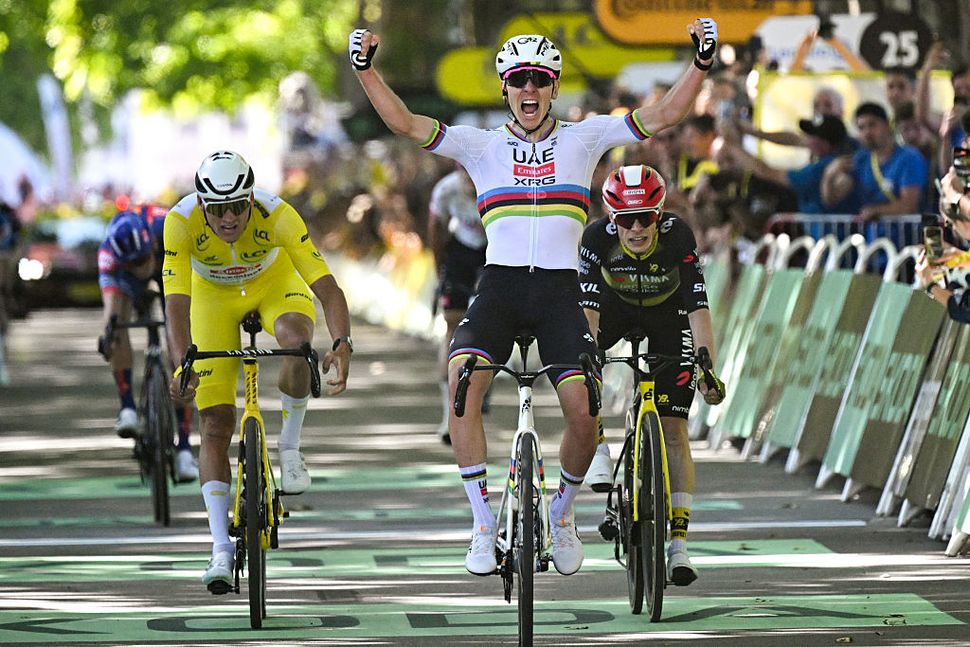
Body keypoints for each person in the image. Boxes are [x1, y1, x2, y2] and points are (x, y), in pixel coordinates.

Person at [348, 16, 719, 577]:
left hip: (559, 289)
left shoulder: (585, 136)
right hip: (498, 286)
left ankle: (563, 515)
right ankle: (480, 525)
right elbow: (405, 122)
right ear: (504, 88)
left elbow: (665, 115)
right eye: (519, 79)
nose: (529, 89)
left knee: (583, 411)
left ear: (554, 86)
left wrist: (701, 64)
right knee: (461, 384)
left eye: (540, 79)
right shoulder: (480, 145)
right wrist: (365, 70)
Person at [164, 150, 352, 593]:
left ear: (252, 200)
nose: (228, 218)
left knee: (296, 341)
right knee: (214, 423)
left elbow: (327, 288)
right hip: (211, 297)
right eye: (217, 210)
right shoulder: (180, 221)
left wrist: (343, 344)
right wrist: (181, 364)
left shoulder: (280, 215)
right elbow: (176, 300)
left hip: (273, 284)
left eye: (237, 208)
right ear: (202, 205)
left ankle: (289, 449)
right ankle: (220, 552)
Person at [579, 164, 725, 585]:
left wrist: (706, 368)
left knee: (675, 428)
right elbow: (587, 313)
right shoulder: (595, 239)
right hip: (614, 308)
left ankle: (679, 546)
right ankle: (601, 451)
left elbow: (698, 307)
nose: (637, 228)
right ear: (612, 219)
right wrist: (587, 365)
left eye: (647, 217)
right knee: (579, 362)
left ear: (661, 215)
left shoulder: (679, 235)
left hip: (667, 316)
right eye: (626, 219)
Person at [97, 207, 198, 483]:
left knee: (180, 346)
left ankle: (185, 449)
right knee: (115, 327)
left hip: (169, 265)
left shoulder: (166, 231)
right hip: (124, 280)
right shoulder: (110, 254)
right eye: (132, 264)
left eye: (142, 260)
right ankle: (127, 406)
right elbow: (111, 307)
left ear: (150, 245)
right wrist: (109, 334)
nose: (140, 269)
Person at [427, 166, 486, 444]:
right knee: (452, 325)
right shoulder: (446, 189)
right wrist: (441, 273)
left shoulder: (497, 179)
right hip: (460, 253)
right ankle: (446, 415)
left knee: (486, 321)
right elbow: (435, 231)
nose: (470, 187)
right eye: (466, 179)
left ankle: (484, 381)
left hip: (492, 251)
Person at [820, 102, 929, 222]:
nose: (867, 132)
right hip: (874, 239)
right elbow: (832, 199)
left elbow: (909, 205)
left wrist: (875, 211)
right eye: (861, 128)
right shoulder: (861, 160)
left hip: (908, 238)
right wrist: (829, 175)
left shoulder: (909, 157)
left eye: (872, 125)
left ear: (887, 125)